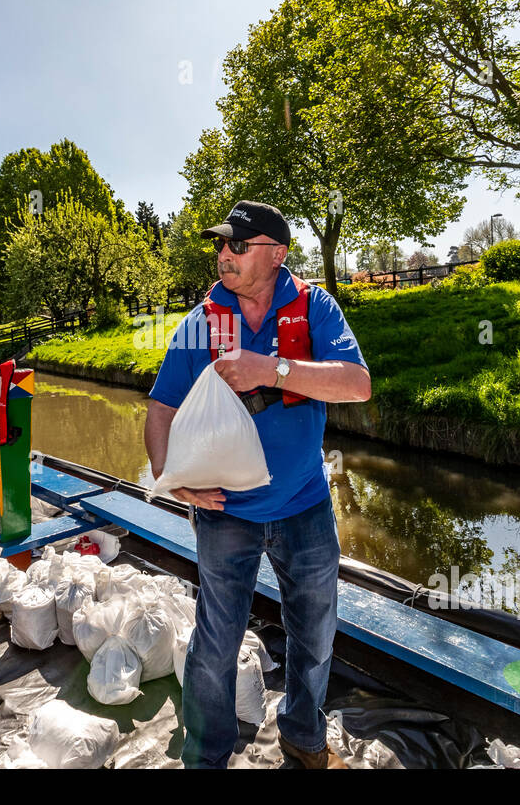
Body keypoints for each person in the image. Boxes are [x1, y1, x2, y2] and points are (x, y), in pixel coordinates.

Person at [143, 200, 371, 769]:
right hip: (226, 512)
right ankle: (206, 755)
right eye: (221, 245)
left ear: (277, 254)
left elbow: (358, 384)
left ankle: (303, 736)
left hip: (306, 507)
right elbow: (160, 411)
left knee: (315, 637)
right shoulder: (202, 322)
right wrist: (173, 481)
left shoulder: (315, 306)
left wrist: (272, 370)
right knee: (215, 644)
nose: (224, 254)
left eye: (238, 246)